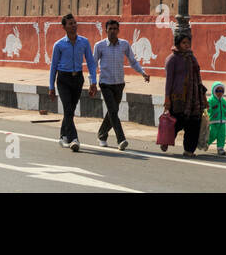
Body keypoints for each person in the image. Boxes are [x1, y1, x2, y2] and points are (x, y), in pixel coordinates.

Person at [93, 18, 150, 151]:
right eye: (110, 29)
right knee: (113, 111)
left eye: (115, 29)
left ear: (118, 30)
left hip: (119, 83)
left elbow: (133, 61)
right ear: (106, 30)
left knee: (113, 111)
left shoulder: (124, 45)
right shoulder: (99, 46)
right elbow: (93, 64)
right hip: (105, 83)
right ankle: (121, 139)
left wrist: (142, 72)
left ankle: (102, 135)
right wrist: (92, 82)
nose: (112, 31)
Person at [47, 13, 97, 152]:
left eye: (75, 23)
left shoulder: (84, 42)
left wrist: (93, 81)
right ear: (64, 27)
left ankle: (63, 136)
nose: (74, 26)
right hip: (63, 79)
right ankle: (74, 138)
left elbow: (91, 63)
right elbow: (53, 67)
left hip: (78, 79)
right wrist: (51, 87)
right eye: (70, 24)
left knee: (71, 110)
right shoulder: (59, 45)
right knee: (68, 108)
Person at [163, 31, 206, 157]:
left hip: (193, 98)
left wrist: (203, 96)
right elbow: (169, 81)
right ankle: (166, 140)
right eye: (184, 43)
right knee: (177, 122)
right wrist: (167, 99)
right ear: (178, 43)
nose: (187, 45)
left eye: (188, 43)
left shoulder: (192, 58)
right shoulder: (172, 59)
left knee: (194, 123)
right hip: (178, 98)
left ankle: (189, 150)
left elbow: (199, 78)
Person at [206, 82, 226, 156]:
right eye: (217, 91)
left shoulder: (223, 101)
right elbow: (208, 109)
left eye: (221, 91)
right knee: (212, 134)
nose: (220, 93)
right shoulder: (211, 100)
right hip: (213, 121)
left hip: (222, 122)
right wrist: (209, 108)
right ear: (214, 91)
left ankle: (220, 148)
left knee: (222, 135)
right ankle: (206, 143)